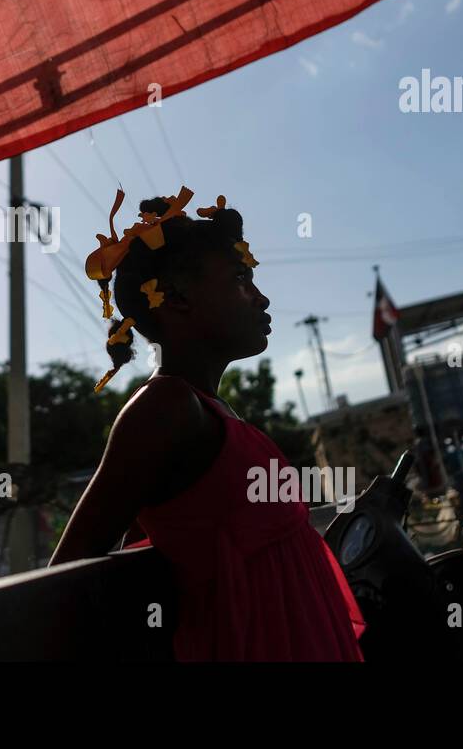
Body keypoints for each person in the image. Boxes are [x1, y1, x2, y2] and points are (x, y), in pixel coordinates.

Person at [49, 188, 364, 661]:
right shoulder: (164, 409)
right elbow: (67, 573)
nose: (261, 298)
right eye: (241, 279)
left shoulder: (212, 412)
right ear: (176, 298)